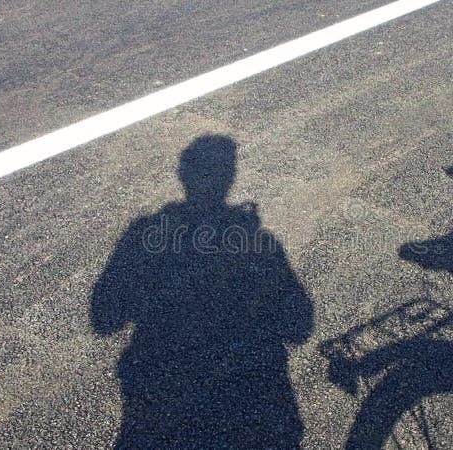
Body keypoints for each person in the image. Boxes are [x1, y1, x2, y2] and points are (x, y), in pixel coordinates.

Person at [90, 135, 313, 448]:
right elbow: (300, 327)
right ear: (230, 178)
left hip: (159, 402)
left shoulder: (145, 234)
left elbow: (104, 317)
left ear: (183, 175)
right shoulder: (258, 242)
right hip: (246, 405)